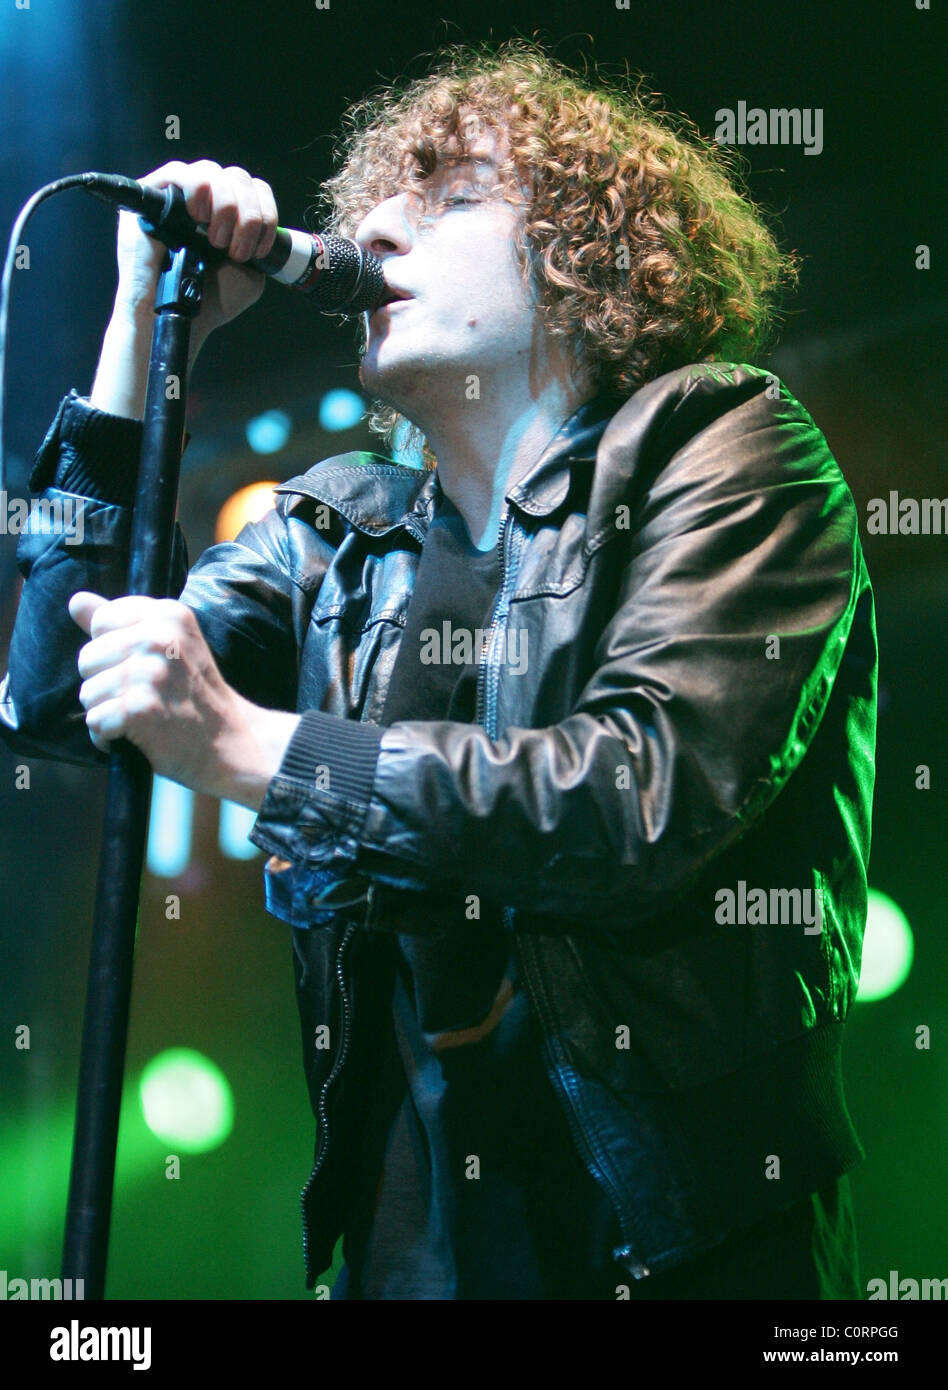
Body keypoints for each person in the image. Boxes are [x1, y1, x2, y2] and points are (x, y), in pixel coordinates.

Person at [0, 41, 877, 1300]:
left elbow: (639, 792)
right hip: (410, 1260)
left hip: (686, 1250)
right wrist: (144, 317)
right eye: (372, 214)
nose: (379, 238)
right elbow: (55, 699)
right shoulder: (330, 535)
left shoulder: (725, 443)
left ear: (587, 254)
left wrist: (248, 746)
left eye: (450, 198)